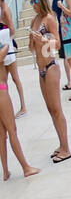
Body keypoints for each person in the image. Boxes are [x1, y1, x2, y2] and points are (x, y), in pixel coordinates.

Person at [27, 0, 71, 163]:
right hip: (41, 69)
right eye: (31, 1)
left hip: (51, 67)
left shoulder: (48, 18)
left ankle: (66, 148)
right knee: (50, 109)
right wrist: (32, 40)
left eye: (35, 0)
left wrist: (44, 39)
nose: (33, 4)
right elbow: (31, 49)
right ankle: (61, 144)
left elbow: (57, 43)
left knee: (57, 109)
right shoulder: (34, 21)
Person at [0, 23, 37, 179]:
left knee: (2, 134)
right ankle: (26, 167)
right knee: (11, 130)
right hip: (1, 90)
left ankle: (6, 171)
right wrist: (6, 46)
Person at [0, 0, 27, 117]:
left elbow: (11, 29)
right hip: (5, 47)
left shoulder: (5, 10)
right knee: (3, 80)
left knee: (15, 78)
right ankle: (7, 107)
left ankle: (23, 106)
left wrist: (4, 36)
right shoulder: (2, 9)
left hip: (8, 47)